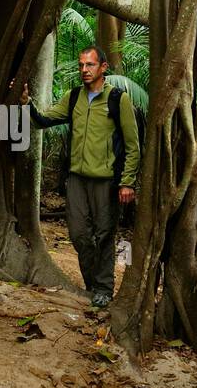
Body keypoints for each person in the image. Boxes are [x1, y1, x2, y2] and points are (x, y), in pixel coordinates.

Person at [21, 45, 139, 309]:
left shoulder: (118, 99)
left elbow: (133, 145)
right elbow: (44, 120)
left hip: (106, 181)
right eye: (81, 65)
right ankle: (91, 284)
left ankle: (103, 289)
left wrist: (127, 181)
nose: (84, 70)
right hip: (77, 179)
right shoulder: (73, 97)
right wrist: (27, 103)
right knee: (78, 234)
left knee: (105, 234)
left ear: (103, 68)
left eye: (90, 65)